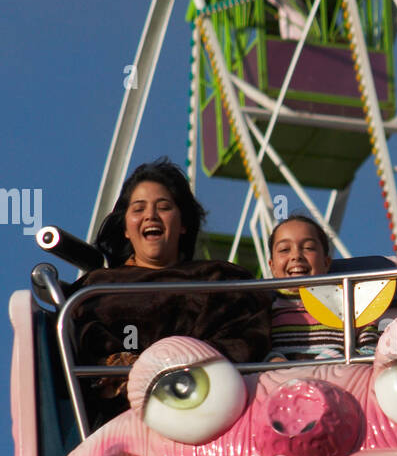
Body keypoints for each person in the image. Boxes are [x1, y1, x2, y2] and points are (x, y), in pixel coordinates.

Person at [70, 159, 271, 424]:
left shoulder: (220, 280)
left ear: (183, 223)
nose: (151, 216)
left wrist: (183, 368)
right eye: (138, 208)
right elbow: (84, 344)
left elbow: (245, 339)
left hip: (213, 411)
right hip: (122, 419)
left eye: (163, 207)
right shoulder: (96, 291)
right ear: (126, 229)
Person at [267, 213, 378, 359]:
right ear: (272, 266)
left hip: (338, 377)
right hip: (279, 378)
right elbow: (252, 352)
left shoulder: (351, 305)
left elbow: (371, 351)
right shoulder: (264, 307)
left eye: (308, 248)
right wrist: (273, 360)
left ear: (326, 262)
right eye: (284, 250)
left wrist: (335, 357)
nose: (296, 256)